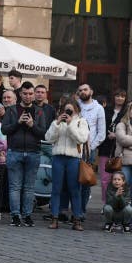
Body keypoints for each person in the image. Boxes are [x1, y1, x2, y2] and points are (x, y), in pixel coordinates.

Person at [1, 81, 46, 228]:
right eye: (25, 93)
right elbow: (4, 130)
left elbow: (43, 133)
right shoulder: (11, 110)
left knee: (29, 187)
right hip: (15, 152)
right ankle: (15, 215)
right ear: (20, 94)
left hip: (33, 152)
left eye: (30, 94)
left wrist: (32, 125)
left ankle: (27, 215)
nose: (28, 96)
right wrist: (18, 122)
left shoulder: (39, 111)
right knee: (15, 186)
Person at [45, 98, 89, 231]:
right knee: (56, 189)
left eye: (71, 110)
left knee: (74, 190)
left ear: (76, 110)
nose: (68, 112)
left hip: (73, 159)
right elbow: (49, 138)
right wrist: (57, 124)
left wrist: (70, 124)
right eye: (66, 110)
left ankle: (77, 220)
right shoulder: (57, 122)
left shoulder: (81, 122)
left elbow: (81, 139)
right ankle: (54, 218)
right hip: (58, 158)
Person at [76, 83, 106, 217]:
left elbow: (101, 133)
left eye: (85, 89)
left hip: (89, 150)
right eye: (80, 90)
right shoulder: (76, 106)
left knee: (85, 181)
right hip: (73, 148)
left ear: (91, 92)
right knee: (73, 180)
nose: (83, 92)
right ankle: (74, 210)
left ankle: (81, 211)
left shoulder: (98, 108)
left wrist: (91, 147)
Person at [98, 89, 127, 200]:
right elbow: (100, 126)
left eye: (122, 96)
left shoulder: (127, 111)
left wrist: (117, 135)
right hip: (105, 148)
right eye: (117, 96)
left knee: (119, 180)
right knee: (105, 179)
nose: (120, 98)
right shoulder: (105, 110)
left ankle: (118, 203)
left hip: (121, 150)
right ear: (113, 97)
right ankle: (107, 203)